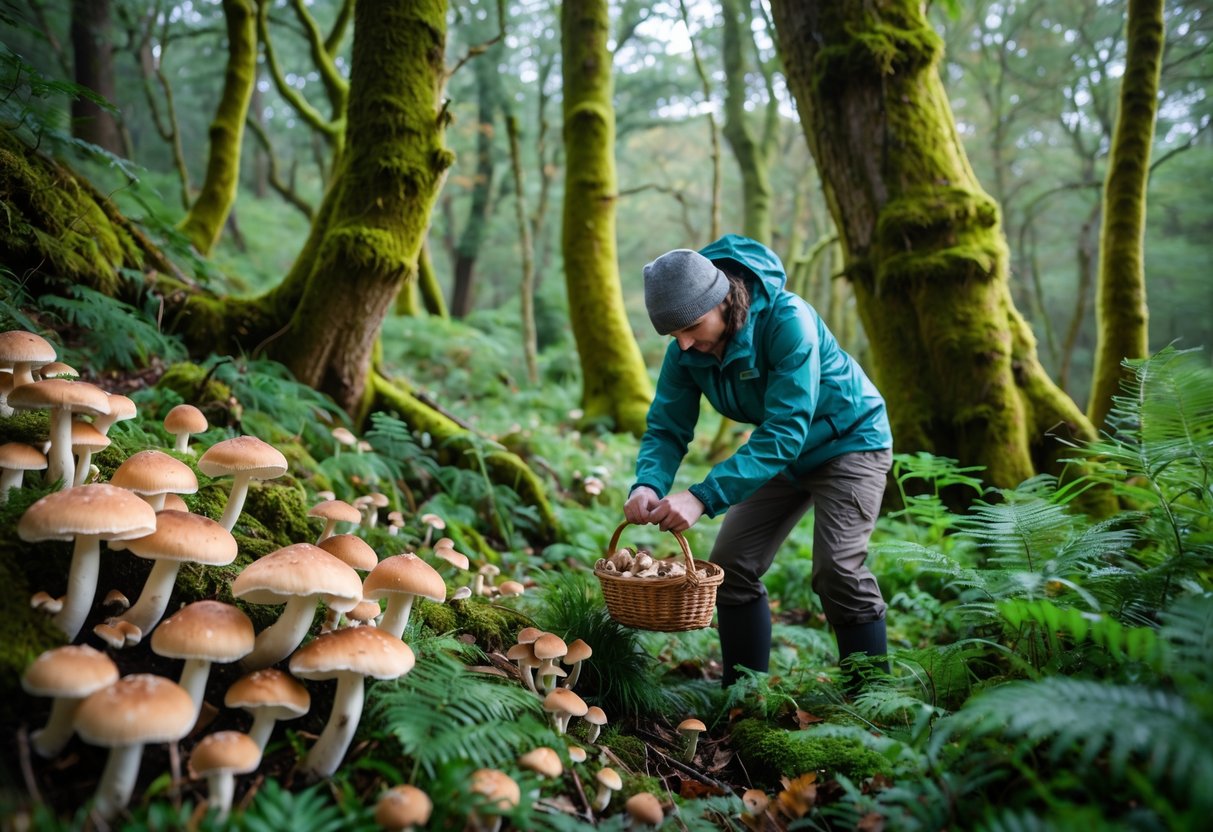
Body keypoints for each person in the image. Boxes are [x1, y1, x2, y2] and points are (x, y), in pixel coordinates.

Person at [624, 234, 893, 690]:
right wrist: (646, 483)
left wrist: (703, 496)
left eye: (692, 327)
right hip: (778, 454)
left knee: (838, 571)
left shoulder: (789, 321)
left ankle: (872, 703)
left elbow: (787, 429)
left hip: (851, 442)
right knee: (731, 566)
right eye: (674, 336)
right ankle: (744, 695)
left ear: (723, 300)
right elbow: (667, 428)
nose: (685, 344)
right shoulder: (687, 353)